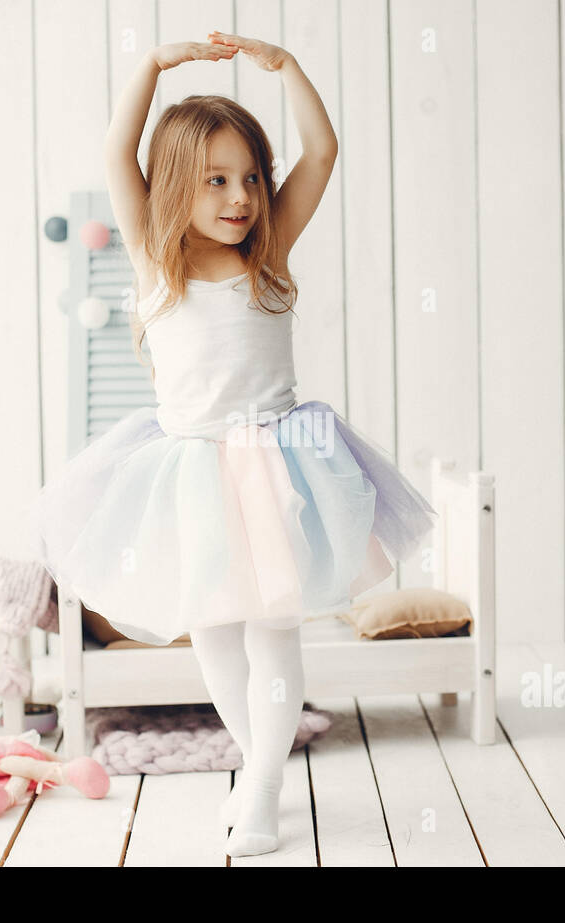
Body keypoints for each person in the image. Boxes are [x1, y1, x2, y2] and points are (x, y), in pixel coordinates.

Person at [29, 32, 437, 858]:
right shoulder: (155, 260)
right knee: (215, 635)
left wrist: (286, 69)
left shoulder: (269, 253)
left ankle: (262, 786)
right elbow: (117, 148)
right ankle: (260, 765)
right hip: (189, 473)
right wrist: (152, 67)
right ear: (177, 186)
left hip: (281, 468)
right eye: (216, 180)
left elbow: (321, 151)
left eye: (251, 177)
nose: (240, 196)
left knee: (274, 631)